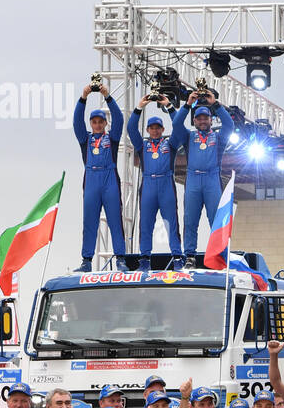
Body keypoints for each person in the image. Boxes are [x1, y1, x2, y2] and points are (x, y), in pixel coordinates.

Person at [171, 92, 233, 263]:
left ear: (211, 120)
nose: (203, 121)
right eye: (199, 118)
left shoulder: (218, 137)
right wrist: (187, 104)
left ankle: (220, 255)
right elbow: (176, 124)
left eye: (206, 118)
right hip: (193, 181)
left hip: (212, 180)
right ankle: (189, 256)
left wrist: (216, 105)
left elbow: (229, 125)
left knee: (216, 220)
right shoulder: (188, 136)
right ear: (194, 121)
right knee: (190, 220)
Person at [72, 78, 127, 271]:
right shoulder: (84, 139)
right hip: (91, 180)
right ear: (91, 124)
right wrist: (83, 97)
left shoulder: (111, 138)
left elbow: (119, 119)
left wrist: (107, 96)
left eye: (100, 121)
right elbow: (76, 121)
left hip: (109, 179)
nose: (97, 125)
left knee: (114, 219)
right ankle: (86, 261)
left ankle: (121, 258)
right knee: (89, 221)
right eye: (94, 122)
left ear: (105, 123)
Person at [126, 94, 182, 269]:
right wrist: (139, 108)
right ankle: (144, 260)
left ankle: (178, 259)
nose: (155, 130)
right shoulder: (142, 145)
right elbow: (131, 129)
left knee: (172, 223)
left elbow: (179, 128)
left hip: (166, 184)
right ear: (148, 130)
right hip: (148, 185)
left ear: (163, 129)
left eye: (158, 128)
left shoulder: (170, 144)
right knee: (146, 223)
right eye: (152, 128)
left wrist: (169, 107)